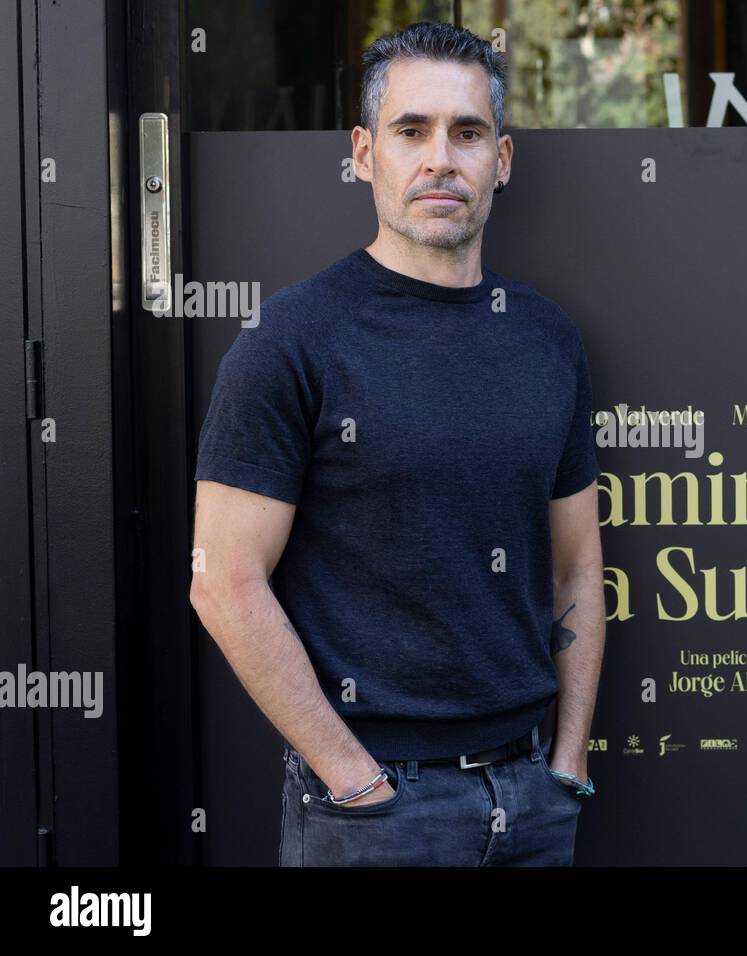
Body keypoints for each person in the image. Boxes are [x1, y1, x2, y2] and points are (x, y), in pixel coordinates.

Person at [188, 21, 605, 866]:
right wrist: (352, 778)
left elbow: (577, 566)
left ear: (502, 159)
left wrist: (568, 761)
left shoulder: (546, 339)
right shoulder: (290, 339)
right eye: (411, 130)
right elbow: (223, 581)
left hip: (532, 798)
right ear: (364, 153)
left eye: (467, 132)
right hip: (373, 810)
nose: (440, 159)